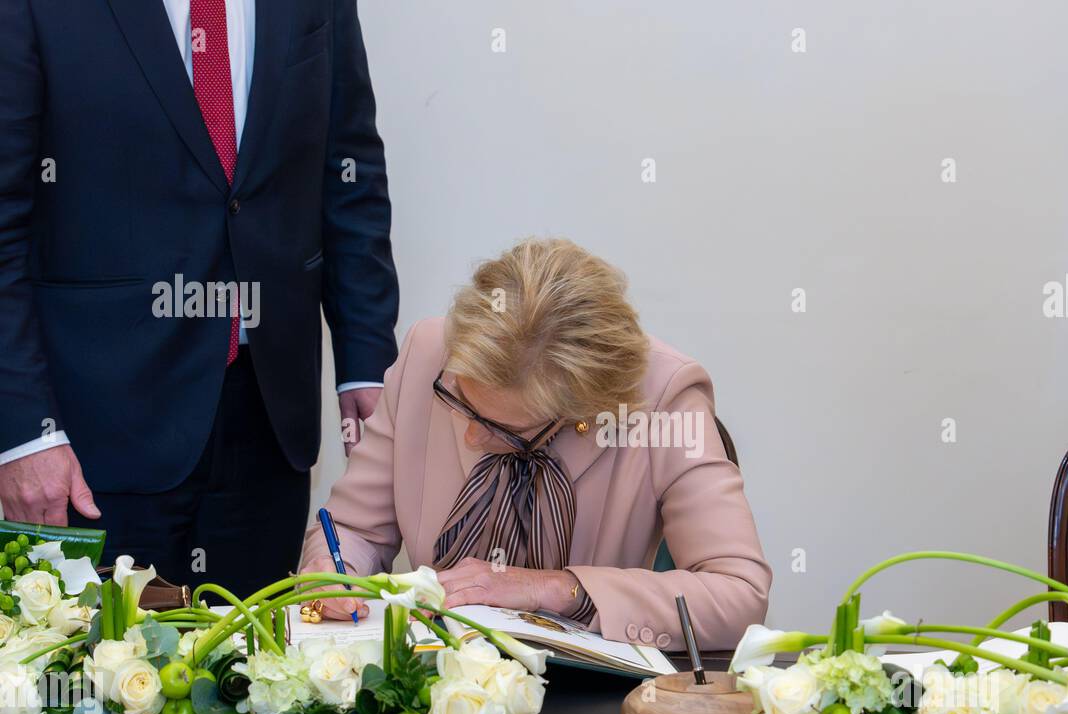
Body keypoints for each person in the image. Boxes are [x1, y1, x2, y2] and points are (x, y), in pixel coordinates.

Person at [0, 0, 398, 597]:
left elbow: (350, 170)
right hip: (90, 437)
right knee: (97, 682)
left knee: (264, 678)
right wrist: (24, 431)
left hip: (269, 427)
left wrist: (364, 365)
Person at [300, 238, 770, 650]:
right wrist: (333, 572)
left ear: (580, 409)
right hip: (435, 677)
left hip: (589, 702)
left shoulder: (663, 398)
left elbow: (738, 593)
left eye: (505, 428)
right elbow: (355, 530)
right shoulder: (429, 354)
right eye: (460, 401)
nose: (469, 435)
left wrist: (556, 589)